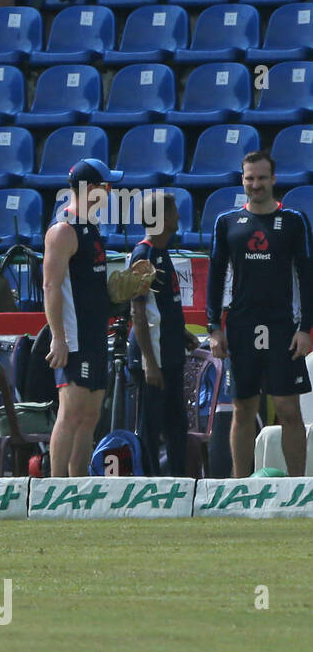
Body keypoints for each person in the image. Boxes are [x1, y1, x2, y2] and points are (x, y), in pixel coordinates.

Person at [207, 149, 313, 478]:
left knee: (288, 410)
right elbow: (215, 276)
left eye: (262, 178)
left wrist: (305, 328)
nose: (256, 184)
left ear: (274, 179)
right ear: (242, 180)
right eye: (250, 178)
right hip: (240, 327)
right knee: (243, 409)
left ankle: (297, 488)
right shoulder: (226, 223)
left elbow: (307, 277)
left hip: (284, 328)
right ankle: (240, 487)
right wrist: (213, 327)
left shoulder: (294, 221)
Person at [43, 158, 113, 479]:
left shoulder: (92, 228)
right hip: (74, 337)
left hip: (96, 334)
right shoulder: (63, 231)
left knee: (90, 415)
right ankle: (56, 489)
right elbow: (51, 285)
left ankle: (79, 484)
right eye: (105, 185)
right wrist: (58, 337)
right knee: (70, 413)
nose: (110, 191)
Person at [128, 192, 193, 477]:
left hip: (170, 351)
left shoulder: (163, 252)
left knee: (177, 424)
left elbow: (163, 307)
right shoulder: (143, 256)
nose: (178, 216)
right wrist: (149, 363)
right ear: (160, 218)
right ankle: (150, 485)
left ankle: (180, 483)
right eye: (173, 211)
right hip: (153, 359)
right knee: (151, 426)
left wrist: (184, 333)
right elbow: (138, 314)